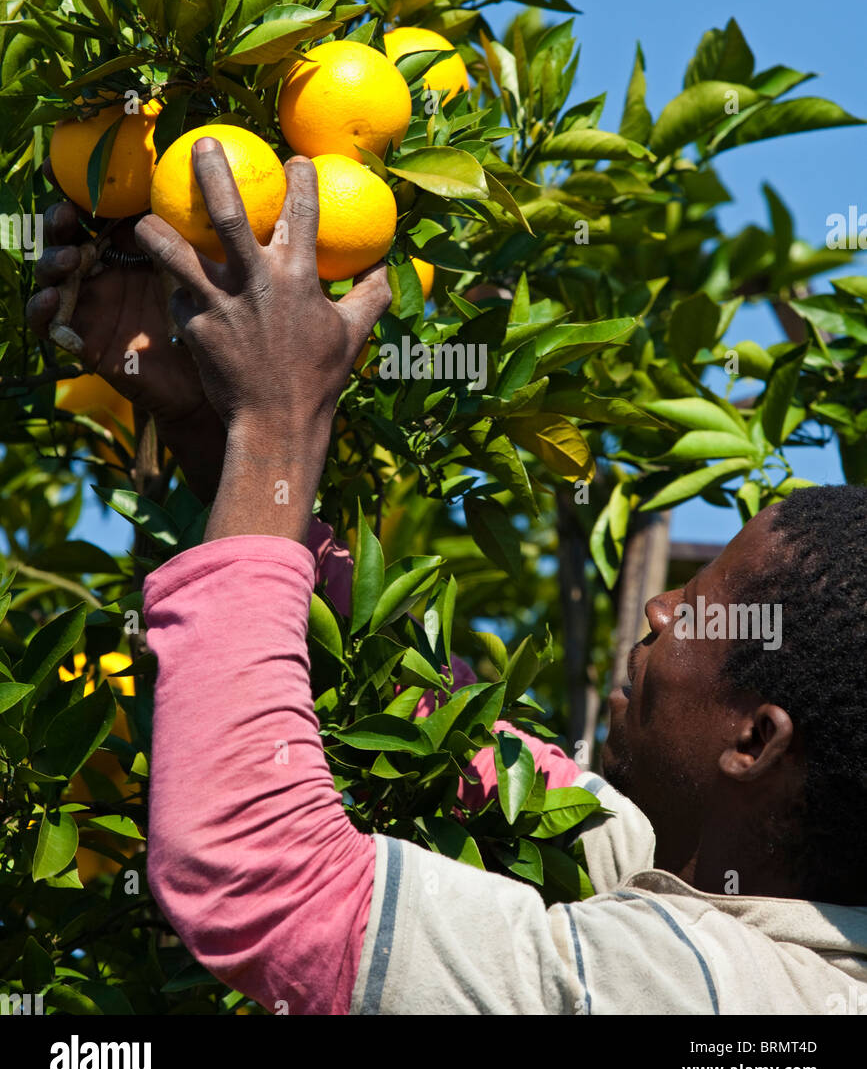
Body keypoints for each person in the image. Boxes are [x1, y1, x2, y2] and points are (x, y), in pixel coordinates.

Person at [28, 142, 867, 1015]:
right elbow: (428, 718)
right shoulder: (728, 894)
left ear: (755, 744)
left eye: (692, 612)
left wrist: (278, 419)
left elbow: (258, 873)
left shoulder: (702, 996)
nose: (657, 606)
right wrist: (220, 430)